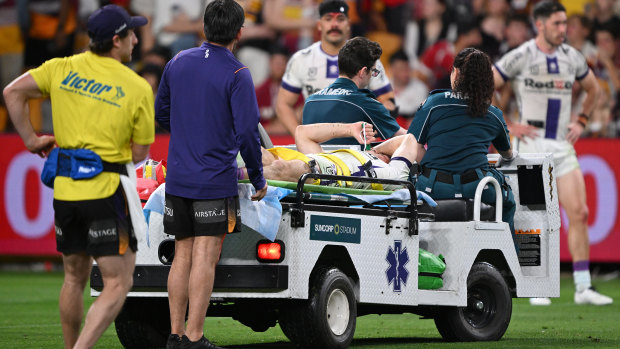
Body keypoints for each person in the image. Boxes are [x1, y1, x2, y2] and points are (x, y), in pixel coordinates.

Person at [3, 5, 154, 348]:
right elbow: (141, 153)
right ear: (116, 41)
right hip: (105, 191)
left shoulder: (61, 67)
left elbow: (12, 92)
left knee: (73, 278)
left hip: (66, 192)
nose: (135, 38)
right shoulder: (136, 86)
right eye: (131, 32)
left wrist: (31, 140)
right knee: (118, 283)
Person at [154, 1, 268, 348]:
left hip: (177, 179)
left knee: (181, 254)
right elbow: (249, 133)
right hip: (214, 181)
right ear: (239, 33)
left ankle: (175, 336)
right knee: (204, 257)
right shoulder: (237, 74)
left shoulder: (177, 62)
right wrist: (259, 178)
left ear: (204, 27)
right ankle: (195, 336)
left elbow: (161, 114)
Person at [493, 1, 612, 306]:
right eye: (558, 24)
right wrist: (508, 124)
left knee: (580, 213)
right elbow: (488, 84)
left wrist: (582, 119)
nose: (564, 29)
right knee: (534, 217)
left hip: (560, 144)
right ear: (541, 25)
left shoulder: (572, 57)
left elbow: (593, 88)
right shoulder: (522, 55)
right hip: (530, 147)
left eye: (565, 23)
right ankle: (536, 286)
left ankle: (584, 286)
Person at [409, 48, 517, 234]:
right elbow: (507, 154)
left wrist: (437, 166)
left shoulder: (434, 102)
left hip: (432, 188)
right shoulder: (493, 114)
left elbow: (412, 144)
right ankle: (509, 260)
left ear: (456, 73)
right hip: (477, 188)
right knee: (508, 200)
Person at [275, 0, 396, 136]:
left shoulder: (367, 57)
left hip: (356, 143)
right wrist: (300, 135)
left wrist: (373, 130)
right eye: (328, 19)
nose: (334, 24)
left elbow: (387, 100)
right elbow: (283, 104)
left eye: (340, 19)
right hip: (316, 142)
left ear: (349, 24)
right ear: (319, 25)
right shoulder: (301, 59)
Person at [240, 121, 417, 191]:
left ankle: (229, 175)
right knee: (262, 155)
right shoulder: (348, 156)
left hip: (323, 176)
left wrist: (376, 151)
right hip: (314, 164)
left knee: (280, 167)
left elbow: (408, 140)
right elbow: (302, 133)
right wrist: (350, 129)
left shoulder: (396, 174)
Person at [302, 36, 406, 145]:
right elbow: (406, 137)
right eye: (373, 71)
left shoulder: (310, 101)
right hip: (347, 161)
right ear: (363, 72)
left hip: (313, 160)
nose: (372, 75)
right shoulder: (364, 101)